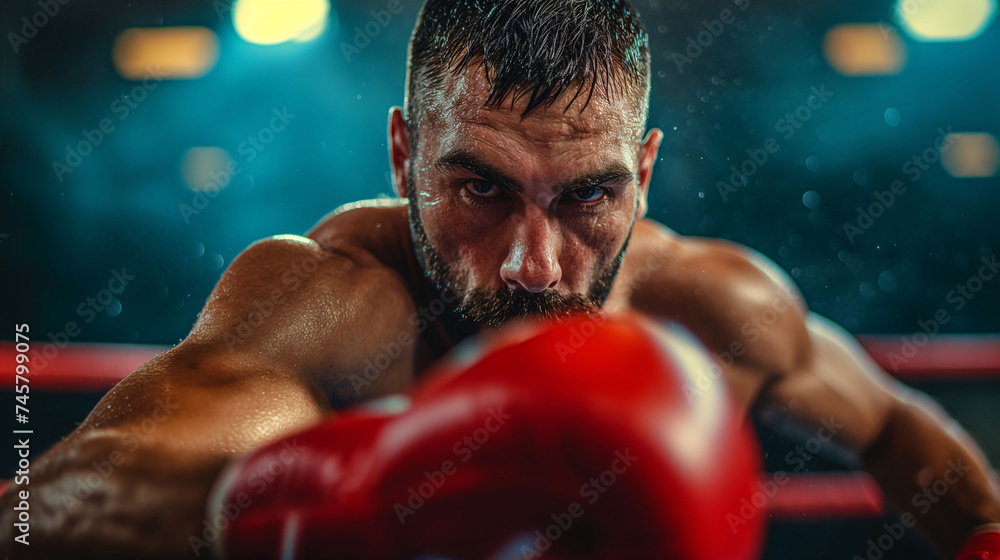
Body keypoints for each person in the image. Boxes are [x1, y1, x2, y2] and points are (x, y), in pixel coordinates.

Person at [2, 0, 999, 558]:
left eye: (585, 198)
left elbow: (898, 429)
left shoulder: (714, 306)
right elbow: (42, 509)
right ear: (402, 158)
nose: (532, 262)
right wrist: (331, 493)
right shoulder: (333, 303)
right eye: (479, 189)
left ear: (643, 173)